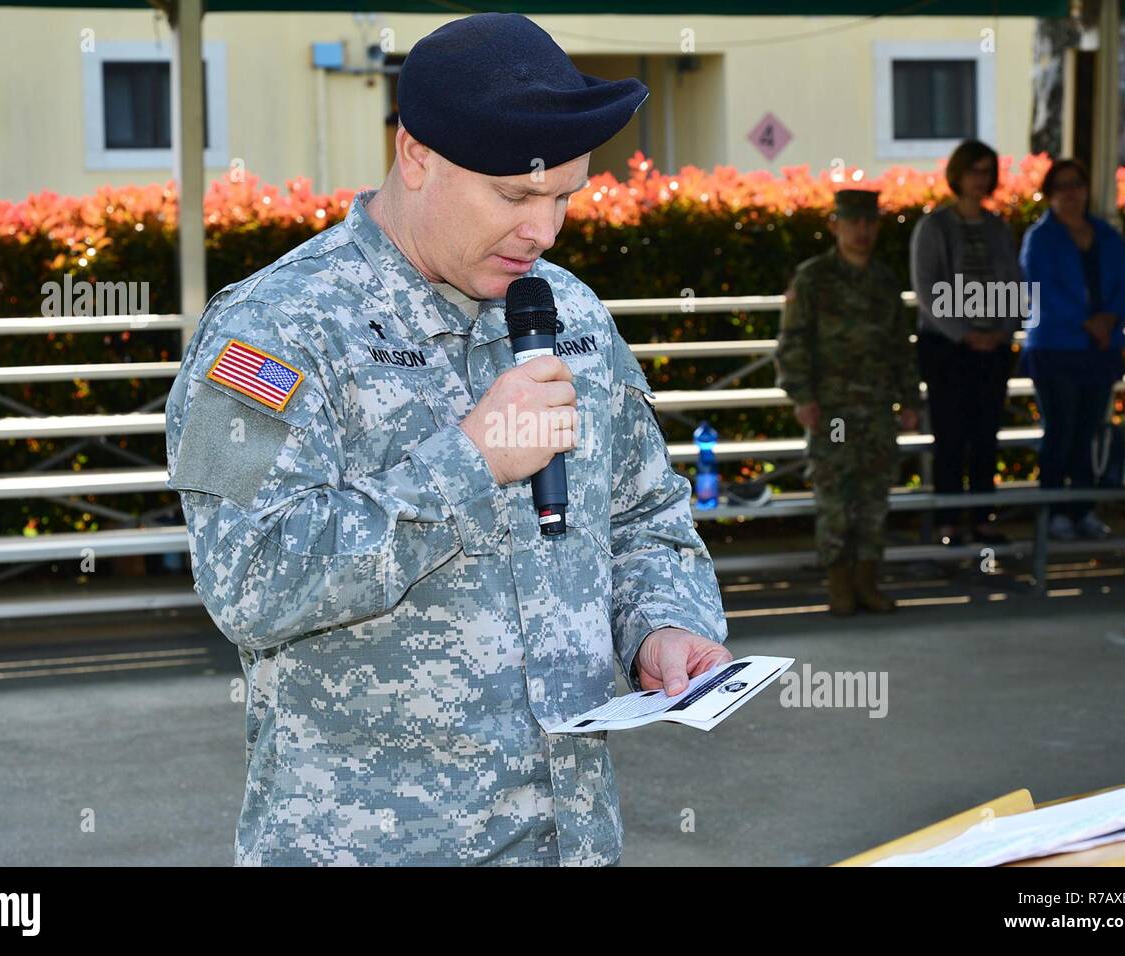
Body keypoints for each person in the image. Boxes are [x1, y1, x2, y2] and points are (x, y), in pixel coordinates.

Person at [164, 12, 731, 867]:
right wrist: (468, 463)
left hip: (570, 842)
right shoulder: (271, 333)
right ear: (415, 155)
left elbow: (644, 515)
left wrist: (660, 628)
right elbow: (248, 582)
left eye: (565, 196)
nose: (544, 232)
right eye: (514, 196)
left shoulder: (569, 311)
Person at [776, 189, 922, 617]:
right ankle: (840, 584)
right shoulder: (813, 278)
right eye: (853, 222)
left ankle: (867, 581)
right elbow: (793, 342)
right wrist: (802, 396)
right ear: (835, 224)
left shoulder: (883, 279)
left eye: (869, 222)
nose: (862, 231)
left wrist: (910, 399)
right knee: (836, 498)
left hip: (876, 409)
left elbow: (900, 347)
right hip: (832, 410)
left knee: (874, 496)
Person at [909, 139, 1022, 547]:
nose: (980, 179)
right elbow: (927, 288)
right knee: (951, 434)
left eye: (987, 171)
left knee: (986, 433)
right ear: (958, 173)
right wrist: (964, 333)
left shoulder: (997, 226)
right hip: (947, 348)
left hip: (993, 349)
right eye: (974, 170)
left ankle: (983, 516)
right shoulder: (934, 226)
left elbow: (1013, 283)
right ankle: (948, 521)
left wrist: (1002, 331)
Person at [1019, 158, 1125, 541]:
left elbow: (1124, 286)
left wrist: (1109, 319)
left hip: (1099, 349)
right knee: (1060, 430)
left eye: (1077, 185)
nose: (1071, 194)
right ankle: (1052, 511)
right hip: (1055, 347)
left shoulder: (1106, 234)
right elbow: (1042, 290)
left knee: (1088, 430)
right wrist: (1086, 321)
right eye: (1062, 187)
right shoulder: (1040, 238)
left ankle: (1083, 508)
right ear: (1050, 194)